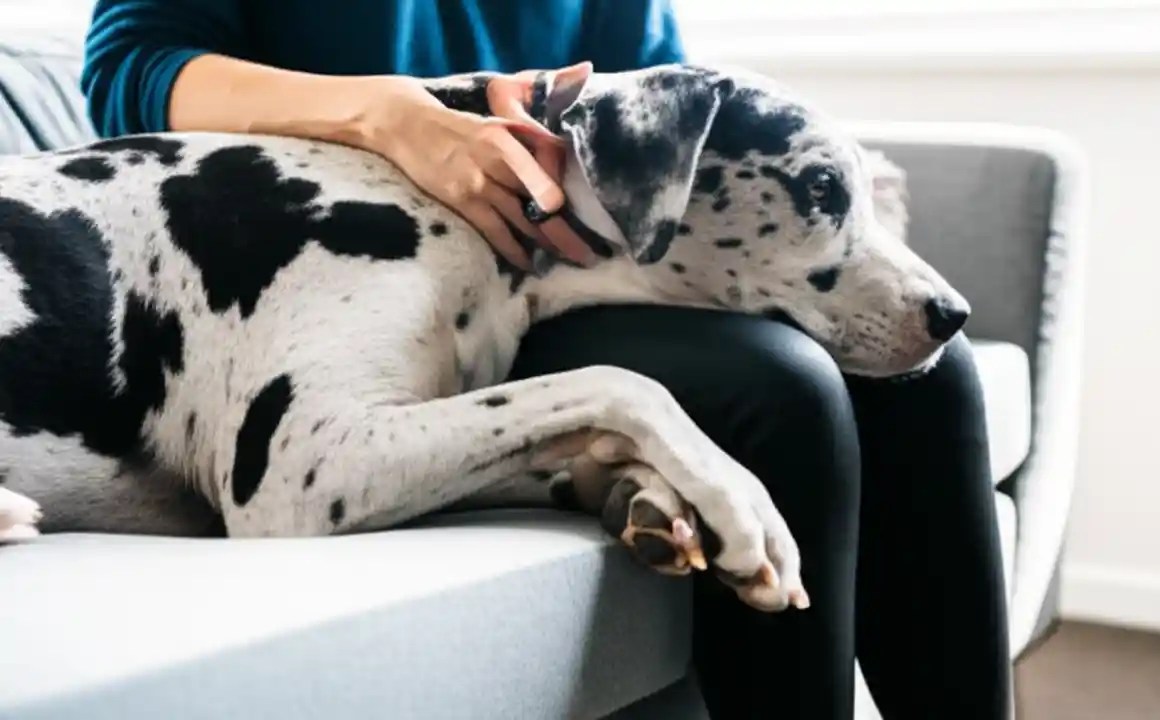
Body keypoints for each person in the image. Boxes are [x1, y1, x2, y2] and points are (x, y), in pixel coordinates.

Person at [80, 1, 1011, 717]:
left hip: (563, 270)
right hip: (341, 274)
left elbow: (661, 113)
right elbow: (131, 71)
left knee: (933, 377)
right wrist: (386, 115)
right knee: (784, 391)